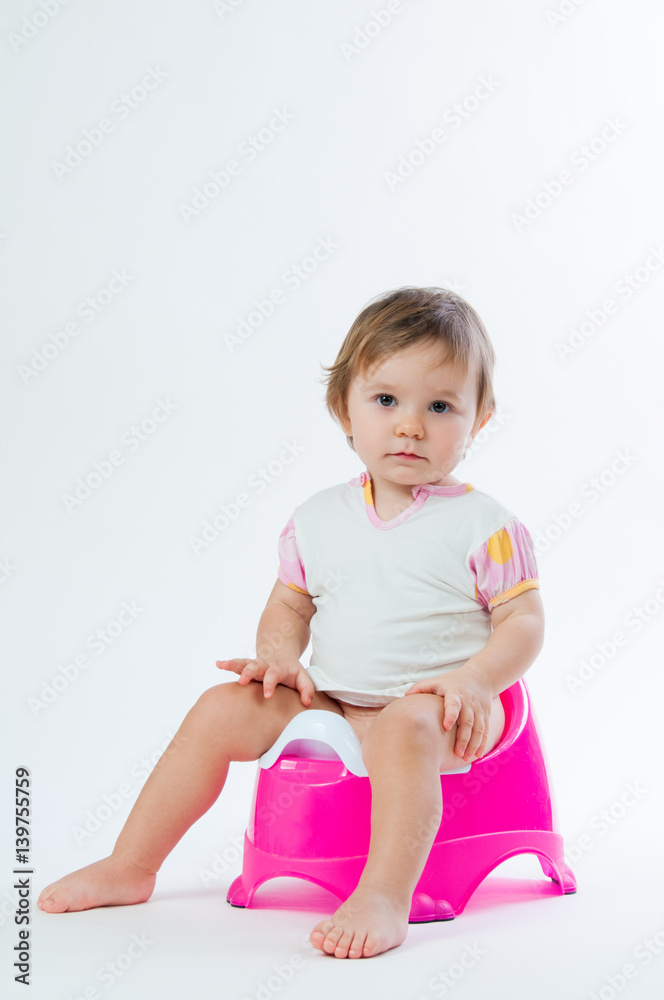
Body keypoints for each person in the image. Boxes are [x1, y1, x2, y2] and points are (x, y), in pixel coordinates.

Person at [38, 286, 545, 960]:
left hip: (447, 715)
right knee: (221, 709)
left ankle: (386, 896)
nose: (410, 426)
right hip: (339, 702)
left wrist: (476, 681)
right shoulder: (317, 519)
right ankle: (131, 862)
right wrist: (277, 655)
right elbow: (290, 605)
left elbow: (524, 623)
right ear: (345, 410)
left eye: (441, 406)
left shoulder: (486, 527)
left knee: (404, 726)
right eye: (386, 400)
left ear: (479, 419)